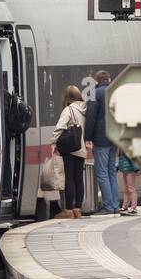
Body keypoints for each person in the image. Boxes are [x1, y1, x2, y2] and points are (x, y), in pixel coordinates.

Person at [50, 85, 87, 219]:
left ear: (67, 97)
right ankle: (78, 209)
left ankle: (69, 210)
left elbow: (60, 127)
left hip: (70, 148)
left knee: (69, 178)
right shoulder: (85, 109)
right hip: (81, 148)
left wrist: (54, 143)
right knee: (78, 178)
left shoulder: (68, 109)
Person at [86, 71, 120, 216]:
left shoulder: (95, 94)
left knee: (102, 173)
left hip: (101, 139)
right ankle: (115, 206)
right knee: (112, 172)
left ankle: (108, 206)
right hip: (115, 138)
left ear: (96, 81)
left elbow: (91, 117)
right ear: (109, 79)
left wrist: (88, 137)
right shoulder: (116, 92)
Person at [115, 151, 141, 216]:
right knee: (126, 189)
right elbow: (120, 160)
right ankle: (124, 207)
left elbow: (133, 160)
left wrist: (137, 169)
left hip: (130, 170)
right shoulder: (121, 150)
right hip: (124, 170)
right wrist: (117, 167)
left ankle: (134, 208)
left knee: (131, 189)